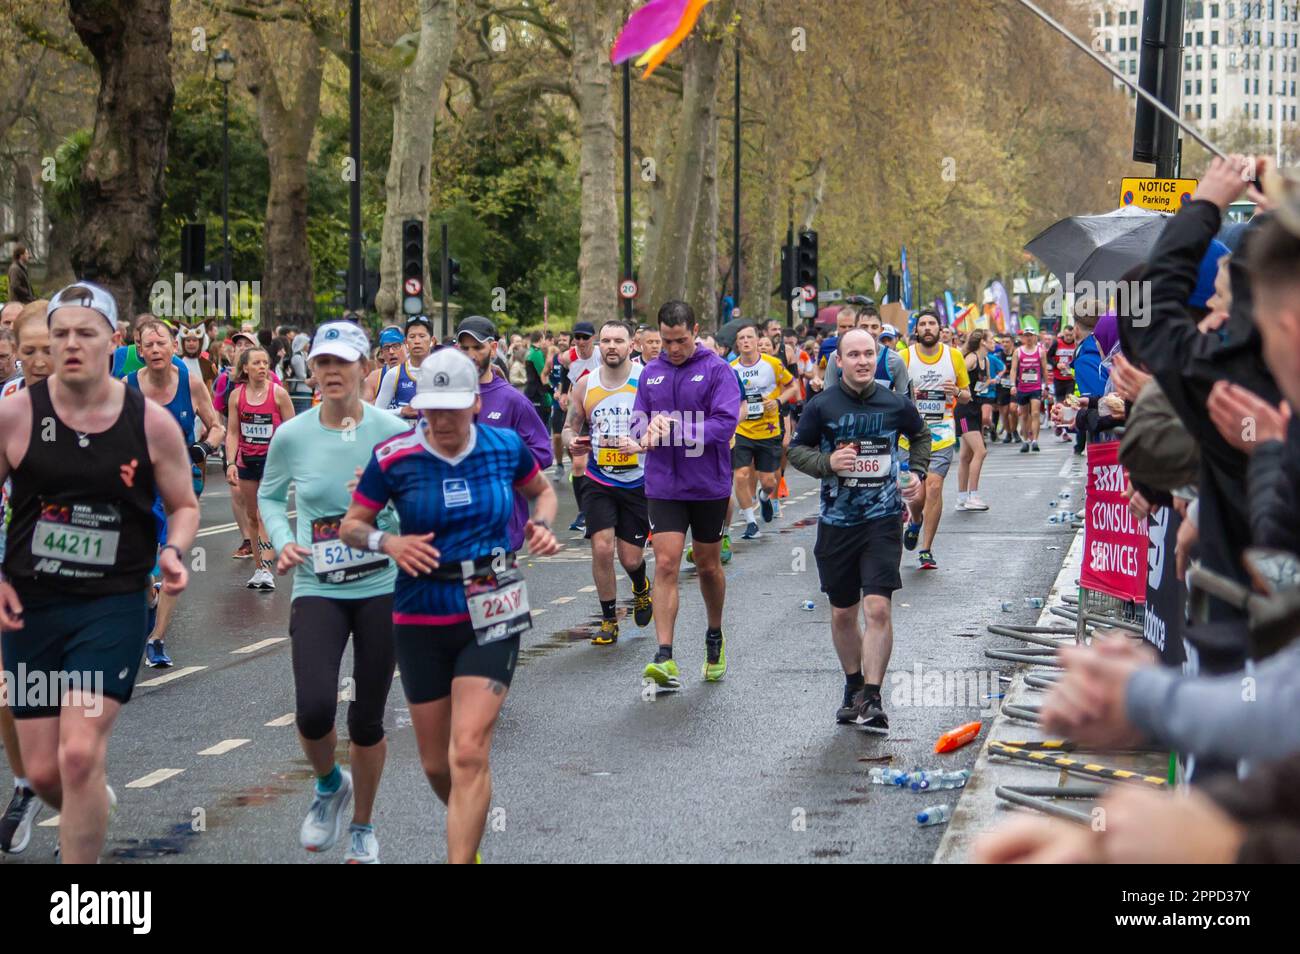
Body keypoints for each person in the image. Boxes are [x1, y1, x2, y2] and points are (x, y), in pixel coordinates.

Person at [0, 282, 199, 863]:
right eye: (59, 333)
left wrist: (174, 551)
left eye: (85, 333)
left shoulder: (149, 423)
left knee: (79, 752)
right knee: (43, 772)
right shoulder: (15, 416)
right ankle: (84, 796)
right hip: (32, 609)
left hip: (111, 606)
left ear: (113, 342)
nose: (70, 344)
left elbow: (185, 505)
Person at [340, 347, 560, 864]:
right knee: (438, 764)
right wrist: (389, 543)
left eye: (453, 409)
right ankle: (471, 824)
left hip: (492, 591)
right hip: (422, 605)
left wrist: (540, 525)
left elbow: (542, 492)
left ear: (476, 404)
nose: (441, 420)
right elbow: (352, 526)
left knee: (468, 750)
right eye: (431, 409)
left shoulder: (504, 446)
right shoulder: (394, 457)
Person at [259, 321, 410, 863]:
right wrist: (282, 541)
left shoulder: (394, 431)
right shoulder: (292, 435)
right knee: (314, 710)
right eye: (322, 362)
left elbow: (419, 504)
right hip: (316, 583)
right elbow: (270, 496)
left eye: (342, 362)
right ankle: (328, 784)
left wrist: (380, 506)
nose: (330, 371)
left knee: (366, 719)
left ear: (365, 368)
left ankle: (363, 828)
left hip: (382, 584)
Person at [789, 328, 929, 732]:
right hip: (837, 524)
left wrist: (917, 474)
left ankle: (873, 694)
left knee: (878, 608)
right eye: (854, 355)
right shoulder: (822, 406)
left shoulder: (895, 403)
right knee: (843, 612)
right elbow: (797, 450)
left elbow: (921, 436)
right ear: (840, 361)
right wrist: (828, 463)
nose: (863, 361)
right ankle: (853, 685)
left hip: (883, 521)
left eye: (869, 353)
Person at [632, 301, 741, 689]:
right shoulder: (651, 372)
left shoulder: (717, 370)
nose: (673, 348)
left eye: (680, 340)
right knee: (665, 564)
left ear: (694, 331)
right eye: (666, 341)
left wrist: (676, 428)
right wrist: (643, 433)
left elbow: (724, 425)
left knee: (708, 566)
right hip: (664, 485)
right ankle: (664, 655)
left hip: (708, 484)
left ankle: (715, 634)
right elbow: (637, 423)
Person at [127, 319, 225, 667]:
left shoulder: (190, 383)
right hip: (138, 486)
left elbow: (217, 427)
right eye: (148, 345)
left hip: (177, 486)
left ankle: (156, 639)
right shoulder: (126, 387)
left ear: (174, 347)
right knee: (138, 566)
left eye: (161, 343)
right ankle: (149, 599)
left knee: (172, 560)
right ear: (140, 351)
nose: (155, 350)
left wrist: (203, 448)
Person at [562, 318, 653, 645]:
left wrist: (642, 445)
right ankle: (608, 619)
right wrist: (572, 442)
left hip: (638, 481)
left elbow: (667, 425)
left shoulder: (646, 381)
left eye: (618, 340)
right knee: (601, 547)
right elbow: (569, 427)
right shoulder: (585, 385)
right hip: (599, 479)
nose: (611, 346)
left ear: (631, 345)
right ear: (599, 346)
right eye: (606, 341)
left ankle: (641, 586)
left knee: (630, 558)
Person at [0, 300, 52, 855]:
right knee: (7, 689)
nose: (38, 361)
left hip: (79, 573)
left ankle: (78, 794)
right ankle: (25, 785)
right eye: (28, 350)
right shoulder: (7, 404)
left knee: (75, 700)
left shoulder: (102, 405)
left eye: (48, 349)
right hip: (10, 562)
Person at [455, 315, 554, 558]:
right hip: (454, 530)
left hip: (500, 530)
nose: (470, 355)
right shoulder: (443, 399)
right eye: (465, 348)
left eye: (477, 347)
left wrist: (501, 465)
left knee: (495, 583)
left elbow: (543, 452)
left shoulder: (513, 400)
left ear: (493, 348)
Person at [898, 310, 971, 570]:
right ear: (916, 330)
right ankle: (915, 520)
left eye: (932, 323)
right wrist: (909, 396)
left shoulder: (954, 356)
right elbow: (892, 395)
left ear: (940, 329)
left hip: (942, 433)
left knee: (934, 487)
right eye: (923, 324)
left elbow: (967, 396)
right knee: (914, 494)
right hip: (909, 436)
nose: (927, 328)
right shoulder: (904, 357)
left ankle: (926, 549)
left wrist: (957, 391)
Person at [224, 346, 295, 589]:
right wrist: (231, 463)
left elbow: (292, 430)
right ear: (245, 368)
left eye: (265, 362)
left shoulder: (279, 394)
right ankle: (259, 568)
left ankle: (266, 569)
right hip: (247, 461)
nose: (262, 367)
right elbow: (233, 432)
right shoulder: (237, 396)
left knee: (264, 514)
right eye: (256, 363)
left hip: (273, 463)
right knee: (252, 517)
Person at [730, 324, 798, 539]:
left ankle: (765, 497)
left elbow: (793, 386)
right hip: (742, 430)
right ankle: (751, 523)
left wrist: (777, 402)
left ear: (757, 340)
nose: (745, 341)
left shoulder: (773, 364)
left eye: (749, 337)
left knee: (769, 482)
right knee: (740, 474)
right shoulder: (730, 368)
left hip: (768, 430)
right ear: (737, 343)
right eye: (741, 338)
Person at [558, 321, 600, 531]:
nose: (581, 342)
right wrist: (563, 393)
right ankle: (584, 512)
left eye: (585, 337)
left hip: (602, 412)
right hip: (580, 412)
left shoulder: (601, 354)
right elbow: (566, 374)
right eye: (578, 338)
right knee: (578, 465)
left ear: (593, 338)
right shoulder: (568, 357)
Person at [954, 329, 990, 512]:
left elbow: (985, 381)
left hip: (976, 409)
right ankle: (972, 496)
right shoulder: (972, 358)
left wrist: (987, 384)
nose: (994, 342)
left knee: (966, 456)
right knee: (980, 451)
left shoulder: (986, 360)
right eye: (991, 339)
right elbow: (956, 372)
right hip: (964, 410)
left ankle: (962, 499)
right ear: (983, 341)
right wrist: (960, 391)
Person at [373, 316, 435, 420]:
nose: (417, 341)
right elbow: (377, 413)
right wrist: (401, 411)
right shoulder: (394, 374)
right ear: (406, 342)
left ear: (432, 341)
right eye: (412, 337)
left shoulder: (442, 373)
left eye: (422, 336)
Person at [1009, 327, 1046, 452]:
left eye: (1031, 335)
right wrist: (1012, 385)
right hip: (1022, 388)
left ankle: (1035, 441)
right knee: (1024, 415)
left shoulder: (1040, 351)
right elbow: (1013, 369)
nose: (1029, 338)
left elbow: (1044, 369)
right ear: (1023, 337)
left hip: (1036, 387)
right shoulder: (1018, 352)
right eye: (1027, 336)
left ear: (1035, 337)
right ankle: (1025, 440)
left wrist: (1046, 386)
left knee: (1035, 413)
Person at [1046, 325, 1077, 441]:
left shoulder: (1077, 344)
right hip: (1058, 378)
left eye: (1070, 335)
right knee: (1059, 404)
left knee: (1068, 403)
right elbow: (1048, 357)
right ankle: (1060, 427)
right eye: (1066, 335)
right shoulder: (1057, 343)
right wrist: (1056, 364)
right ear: (1063, 334)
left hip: (1071, 379)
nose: (1068, 337)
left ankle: (1064, 430)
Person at [364, 327, 406, 404]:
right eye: (386, 348)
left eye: (396, 346)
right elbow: (364, 408)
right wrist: (384, 399)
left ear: (406, 346)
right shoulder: (375, 378)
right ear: (382, 353)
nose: (391, 351)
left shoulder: (418, 373)